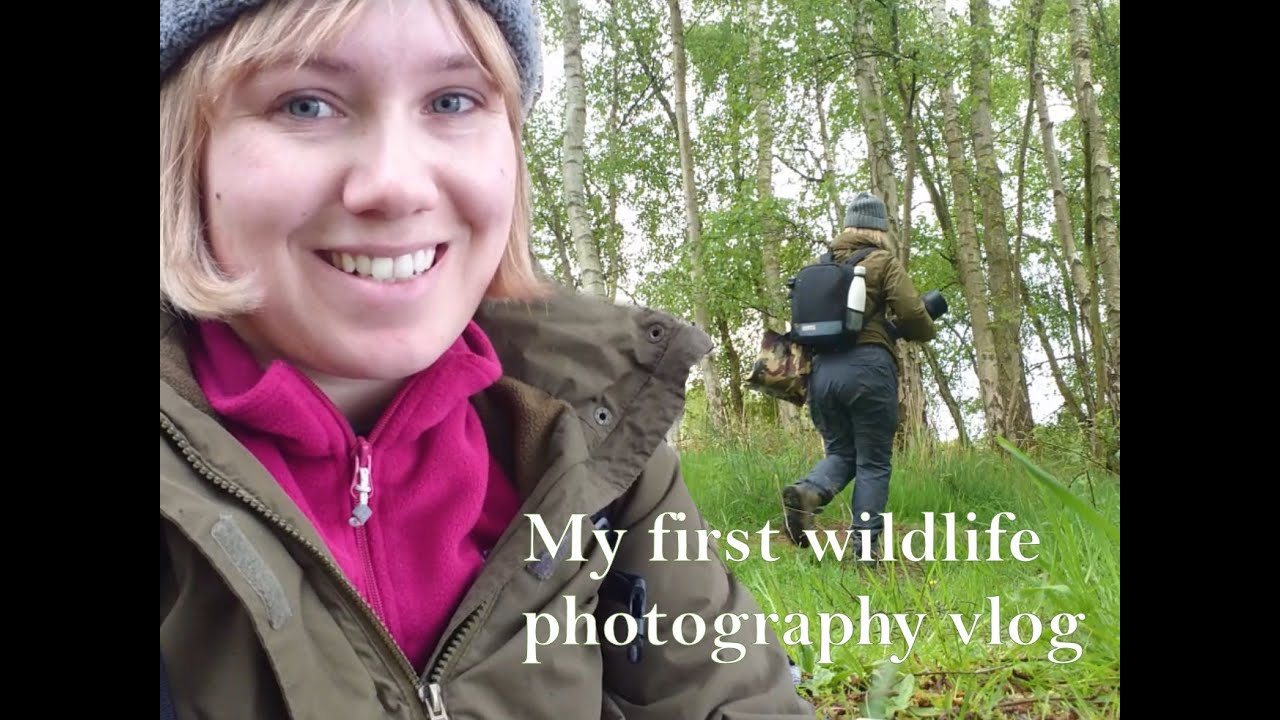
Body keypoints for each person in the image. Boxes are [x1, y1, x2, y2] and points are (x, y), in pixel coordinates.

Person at [158, 1, 815, 717]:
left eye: (451, 100)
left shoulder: (591, 431)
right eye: (306, 104)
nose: (397, 184)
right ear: (184, 152)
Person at [781, 192, 937, 561]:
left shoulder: (817, 267)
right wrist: (924, 329)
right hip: (868, 370)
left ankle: (809, 493)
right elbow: (913, 314)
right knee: (873, 462)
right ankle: (865, 553)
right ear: (880, 229)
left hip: (821, 377)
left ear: (847, 226)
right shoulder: (882, 262)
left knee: (841, 452)